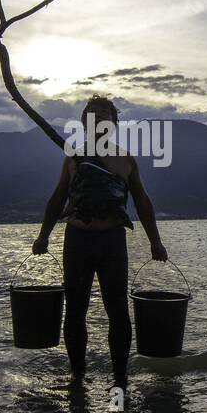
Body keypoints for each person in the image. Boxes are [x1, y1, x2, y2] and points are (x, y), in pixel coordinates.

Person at [32, 96, 167, 385]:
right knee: (76, 308)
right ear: (84, 122)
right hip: (78, 240)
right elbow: (58, 199)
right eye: (92, 112)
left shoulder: (125, 159)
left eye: (104, 112)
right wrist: (43, 235)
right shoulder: (73, 157)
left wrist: (155, 241)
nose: (98, 115)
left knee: (117, 308)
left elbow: (142, 202)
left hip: (112, 241)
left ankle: (120, 377)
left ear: (114, 124)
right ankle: (77, 376)